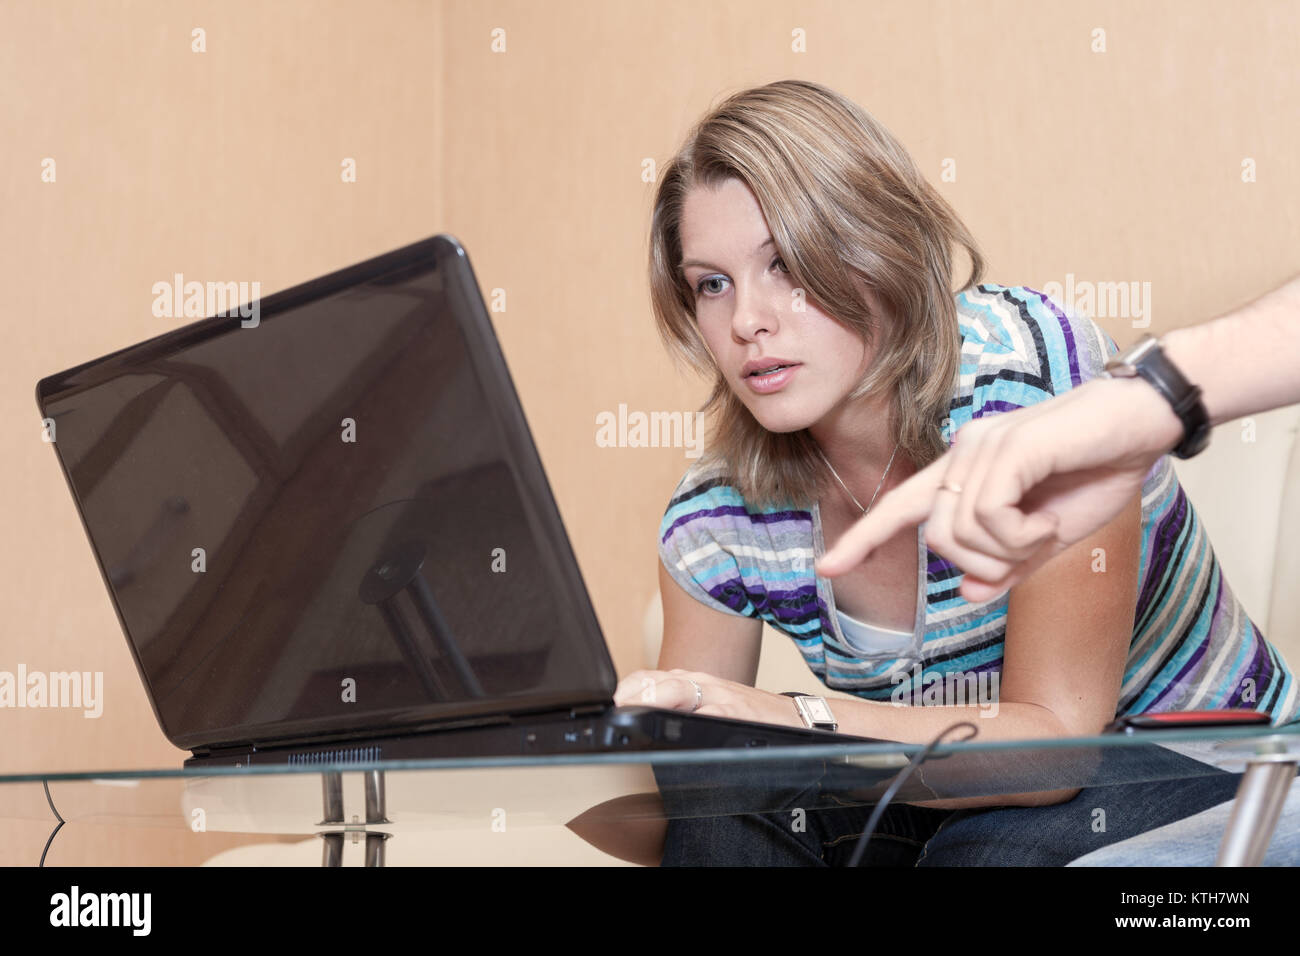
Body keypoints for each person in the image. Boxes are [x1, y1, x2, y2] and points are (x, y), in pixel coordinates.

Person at [613, 78, 1300, 866]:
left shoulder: (1031, 377)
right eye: (712, 284)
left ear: (873, 244)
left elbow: (1052, 750)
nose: (746, 322)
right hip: (948, 793)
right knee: (717, 825)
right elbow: (711, 772)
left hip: (1203, 759)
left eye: (787, 265)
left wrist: (795, 717)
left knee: (992, 855)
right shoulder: (714, 512)